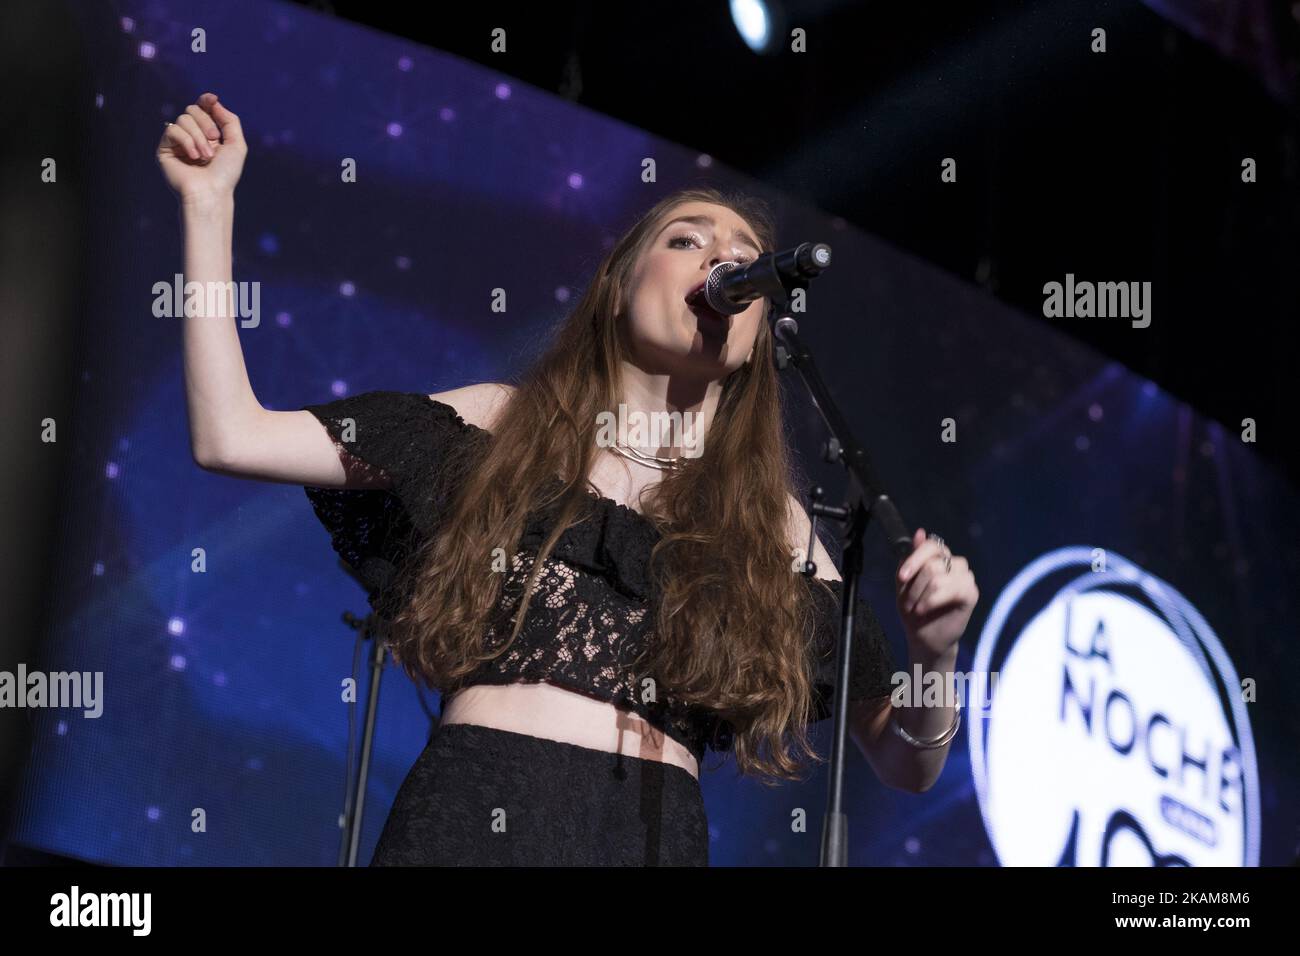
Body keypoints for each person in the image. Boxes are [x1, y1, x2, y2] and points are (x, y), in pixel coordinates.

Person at [158, 92, 980, 866]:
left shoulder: (772, 524)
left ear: (763, 326)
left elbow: (907, 763)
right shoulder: (500, 427)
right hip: (476, 815)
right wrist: (208, 206)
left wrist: (933, 654)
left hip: (652, 839)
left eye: (744, 261)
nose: (723, 264)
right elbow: (232, 434)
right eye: (689, 240)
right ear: (620, 284)